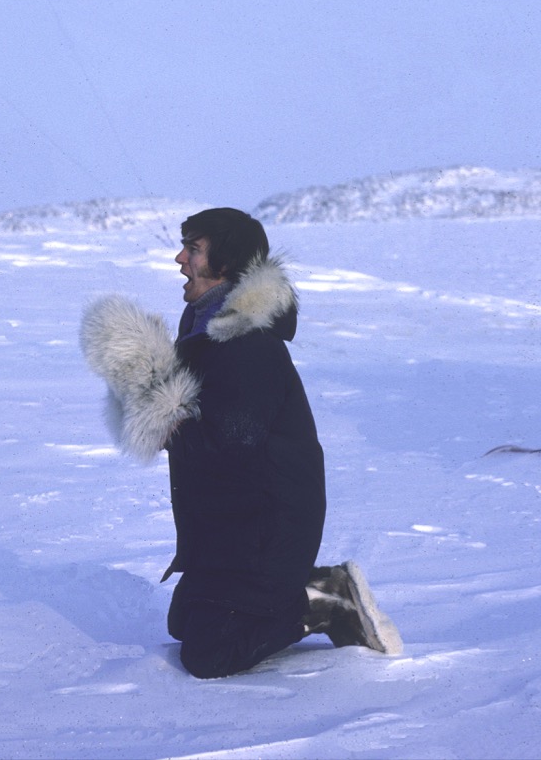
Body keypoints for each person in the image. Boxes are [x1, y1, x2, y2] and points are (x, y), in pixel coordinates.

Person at [80, 207, 401, 679]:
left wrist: (153, 394)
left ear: (225, 264)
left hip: (268, 529)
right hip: (234, 525)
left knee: (210, 654)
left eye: (193, 249)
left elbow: (227, 446)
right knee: (186, 620)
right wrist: (145, 387)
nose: (179, 258)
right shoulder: (207, 334)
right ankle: (298, 592)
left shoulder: (248, 346)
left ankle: (325, 600)